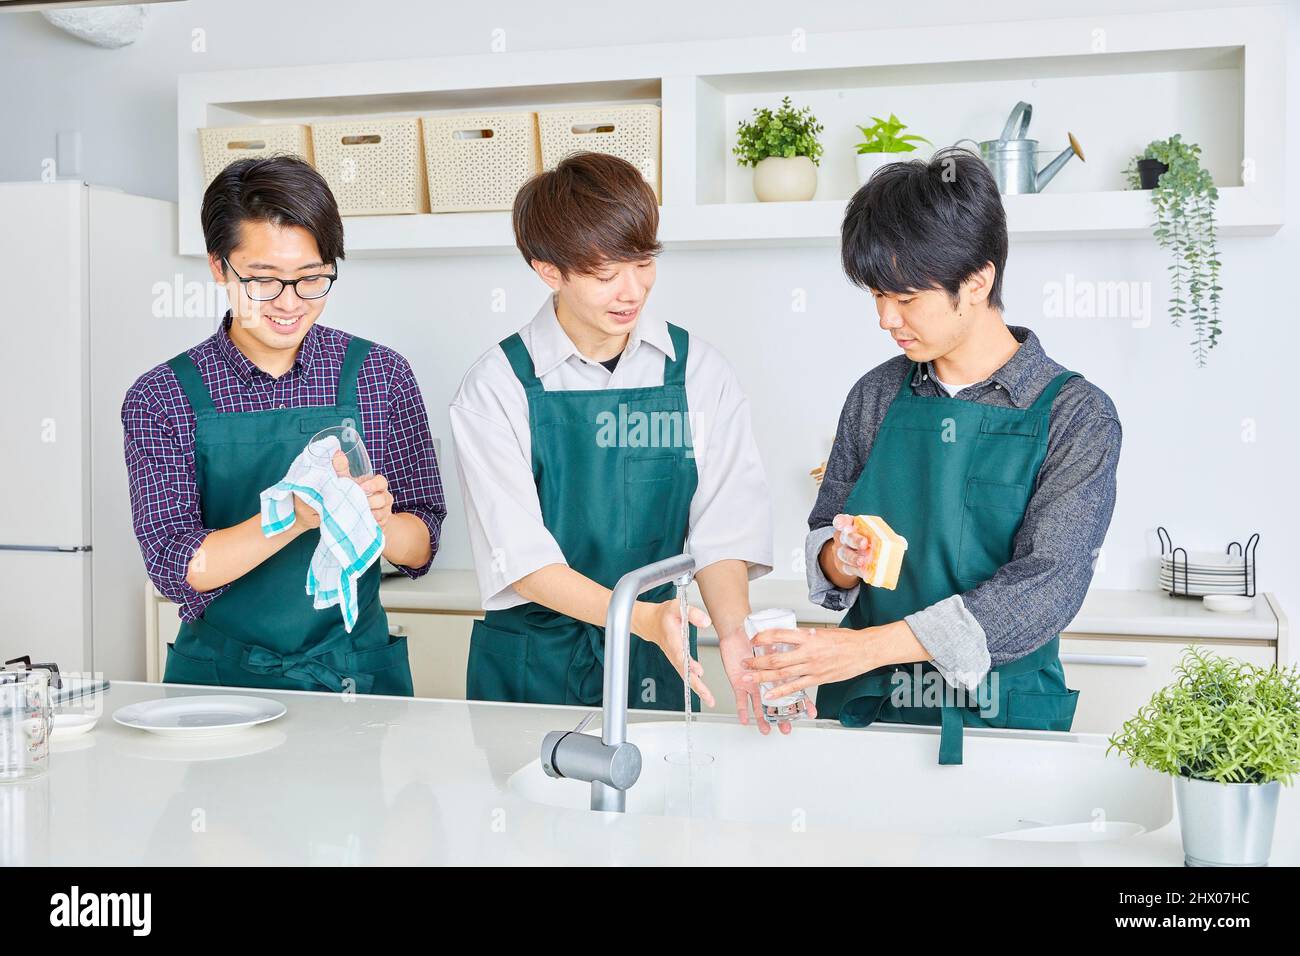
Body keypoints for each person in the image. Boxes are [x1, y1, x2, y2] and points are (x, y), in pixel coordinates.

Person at [744, 148, 1121, 762]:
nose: (886, 318)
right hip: (871, 712)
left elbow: (1041, 591)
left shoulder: (1075, 415)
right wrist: (843, 556)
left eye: (906, 297)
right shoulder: (875, 394)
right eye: (876, 295)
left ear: (977, 281)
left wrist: (864, 649)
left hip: (1002, 720)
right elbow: (824, 538)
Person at [450, 152, 785, 728]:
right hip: (535, 662)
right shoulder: (495, 387)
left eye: (643, 262)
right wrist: (640, 618)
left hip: (657, 653)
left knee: (659, 811)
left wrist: (734, 633)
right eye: (605, 274)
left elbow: (723, 531)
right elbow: (523, 562)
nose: (632, 291)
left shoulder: (698, 372)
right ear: (548, 270)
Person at [123, 156, 445, 695]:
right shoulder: (162, 396)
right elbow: (180, 566)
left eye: (312, 279)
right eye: (264, 281)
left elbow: (422, 546)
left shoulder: (380, 375)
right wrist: (292, 518)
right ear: (220, 268)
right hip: (221, 682)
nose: (290, 303)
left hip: (353, 671)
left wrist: (377, 519)